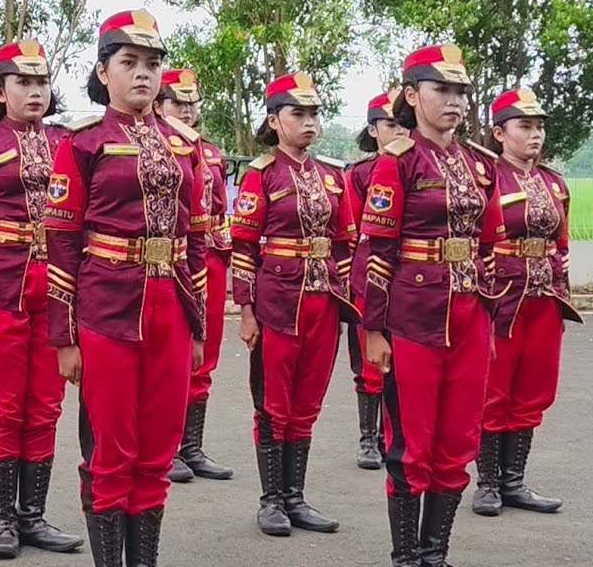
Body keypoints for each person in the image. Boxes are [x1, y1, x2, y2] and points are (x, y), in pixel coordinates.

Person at [45, 9, 205, 567]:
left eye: (151, 64)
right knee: (112, 448)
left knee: (157, 448)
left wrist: (195, 324)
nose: (142, 74)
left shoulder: (181, 144)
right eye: (128, 64)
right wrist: (63, 336)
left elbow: (191, 240)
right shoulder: (80, 142)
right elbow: (59, 242)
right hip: (106, 308)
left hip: (168, 306)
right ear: (103, 71)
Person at [361, 44, 505, 567]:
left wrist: (490, 308)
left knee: (457, 438)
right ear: (412, 95)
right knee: (411, 442)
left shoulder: (478, 164)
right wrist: (374, 329)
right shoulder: (397, 162)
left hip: (469, 314)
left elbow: (491, 242)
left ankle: (436, 557)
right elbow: (377, 251)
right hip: (413, 316)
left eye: (459, 92)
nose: (452, 101)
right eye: (440, 90)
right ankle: (405, 562)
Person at [0, 38, 83, 559]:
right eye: (23, 83)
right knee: (8, 406)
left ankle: (35, 516)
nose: (34, 92)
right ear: (0, 92)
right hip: (1, 286)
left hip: (56, 291)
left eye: (42, 82)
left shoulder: (70, 143)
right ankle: (3, 518)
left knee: (46, 405)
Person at [231, 72, 358, 538]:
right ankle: (271, 500)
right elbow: (243, 247)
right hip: (277, 302)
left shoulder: (332, 175)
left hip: (324, 302)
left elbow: (346, 242)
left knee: (307, 403)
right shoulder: (262, 174)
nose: (308, 123)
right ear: (274, 120)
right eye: (297, 114)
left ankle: (295, 497)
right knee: (273, 404)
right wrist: (245, 310)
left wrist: (349, 300)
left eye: (314, 114)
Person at [472, 88, 582, 517]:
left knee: (533, 390)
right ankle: (487, 484)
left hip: (545, 297)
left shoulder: (554, 182)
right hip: (503, 296)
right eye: (524, 126)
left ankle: (514, 481)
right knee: (493, 389)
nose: (535, 135)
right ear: (500, 133)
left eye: (539, 126)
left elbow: (562, 244)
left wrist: (563, 295)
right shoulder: (486, 177)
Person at [155, 68, 234, 483]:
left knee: (206, 353)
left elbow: (218, 206)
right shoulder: (154, 148)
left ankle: (192, 446)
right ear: (159, 105)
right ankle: (165, 449)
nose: (186, 109)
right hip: (170, 260)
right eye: (176, 102)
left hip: (211, 257)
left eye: (191, 102)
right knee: (171, 358)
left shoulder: (211, 152)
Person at [346, 88, 407, 470]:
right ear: (373, 130)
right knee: (370, 363)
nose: (398, 130)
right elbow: (351, 232)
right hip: (369, 274)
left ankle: (396, 435)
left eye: (402, 122)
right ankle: (369, 438)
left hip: (412, 277)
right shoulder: (360, 175)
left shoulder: (420, 165)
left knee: (407, 363)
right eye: (389, 124)